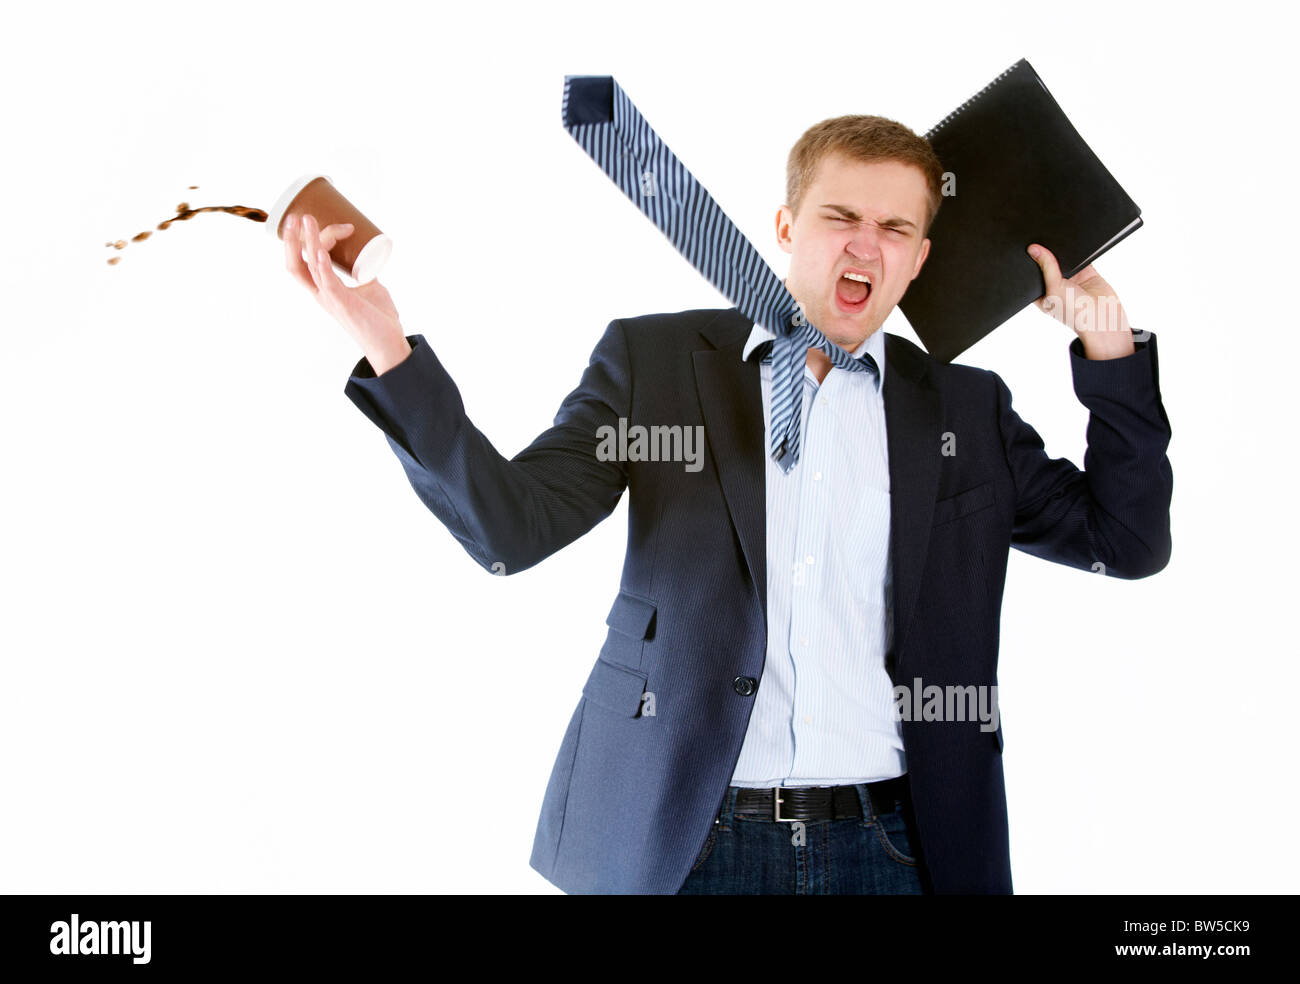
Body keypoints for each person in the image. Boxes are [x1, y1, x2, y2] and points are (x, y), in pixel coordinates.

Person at [282, 113, 1172, 894]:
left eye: (895, 227)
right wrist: (390, 349)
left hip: (898, 850)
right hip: (684, 842)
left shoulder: (966, 410)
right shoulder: (658, 365)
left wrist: (1110, 356)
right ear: (786, 227)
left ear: (920, 259)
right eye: (841, 217)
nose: (866, 244)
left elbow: (1125, 539)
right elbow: (513, 530)